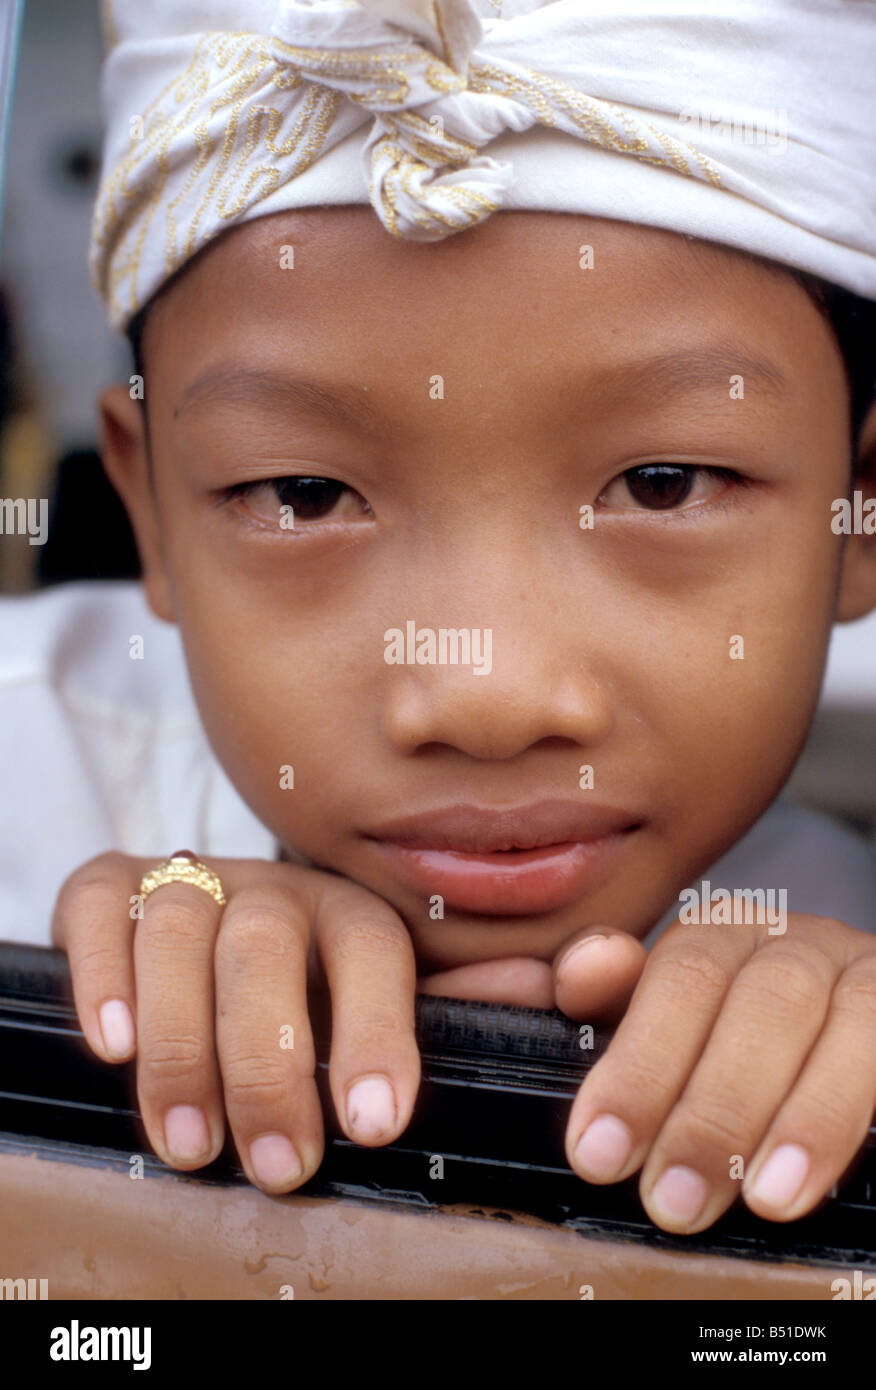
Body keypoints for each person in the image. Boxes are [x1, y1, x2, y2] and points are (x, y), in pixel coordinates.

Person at [2, 0, 875, 1240]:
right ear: (151, 515)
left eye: (663, 483)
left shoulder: (844, 931)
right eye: (304, 495)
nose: (489, 694)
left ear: (862, 509)